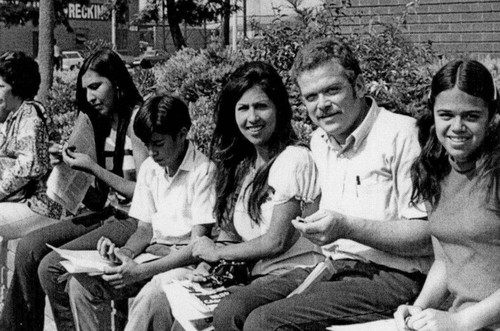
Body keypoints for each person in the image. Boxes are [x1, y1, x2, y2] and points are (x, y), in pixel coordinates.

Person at [213, 38, 433, 331]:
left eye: (332, 90)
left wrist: (346, 227)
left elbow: (426, 235)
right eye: (311, 97)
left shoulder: (402, 135)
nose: (322, 105)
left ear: (359, 86)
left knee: (265, 324)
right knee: (230, 310)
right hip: (333, 268)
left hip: (394, 277)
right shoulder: (319, 141)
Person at [0, 48, 148, 331]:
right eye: (86, 89)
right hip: (107, 212)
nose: (91, 97)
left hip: (134, 219)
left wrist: (92, 167)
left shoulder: (135, 121)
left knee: (52, 267)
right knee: (30, 248)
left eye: (97, 86)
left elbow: (143, 193)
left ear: (116, 82)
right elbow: (96, 197)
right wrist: (67, 168)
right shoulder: (101, 123)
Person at [67, 93, 216, 331]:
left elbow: (198, 246)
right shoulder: (150, 168)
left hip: (183, 262)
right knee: (81, 284)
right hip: (150, 254)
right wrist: (123, 254)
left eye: (158, 144)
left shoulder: (203, 170)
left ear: (181, 134)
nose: (151, 152)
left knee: (150, 298)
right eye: (147, 145)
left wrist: (140, 271)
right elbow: (144, 229)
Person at [392, 60, 500, 331]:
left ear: (492, 117)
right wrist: (419, 307)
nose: (457, 126)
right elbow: (446, 259)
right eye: (446, 115)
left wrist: (461, 322)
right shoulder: (434, 171)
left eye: (471, 116)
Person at [0, 51, 62, 237]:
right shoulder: (16, 116)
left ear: (17, 87)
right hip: (23, 202)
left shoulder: (30, 116)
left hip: (40, 206)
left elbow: (30, 166)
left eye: (0, 86)